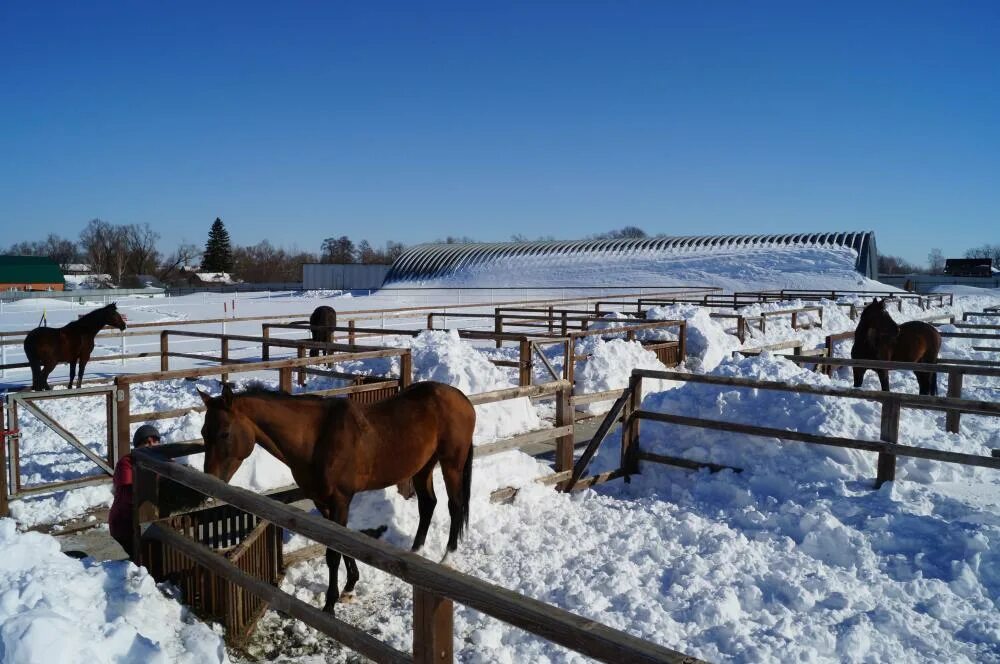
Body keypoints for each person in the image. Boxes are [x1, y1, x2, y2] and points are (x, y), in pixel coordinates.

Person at [108, 424, 160, 558]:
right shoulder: (126, 463)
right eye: (146, 442)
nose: (151, 445)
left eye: (155, 441)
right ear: (137, 446)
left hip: (148, 521)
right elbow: (128, 493)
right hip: (124, 524)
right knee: (140, 558)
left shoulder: (161, 459)